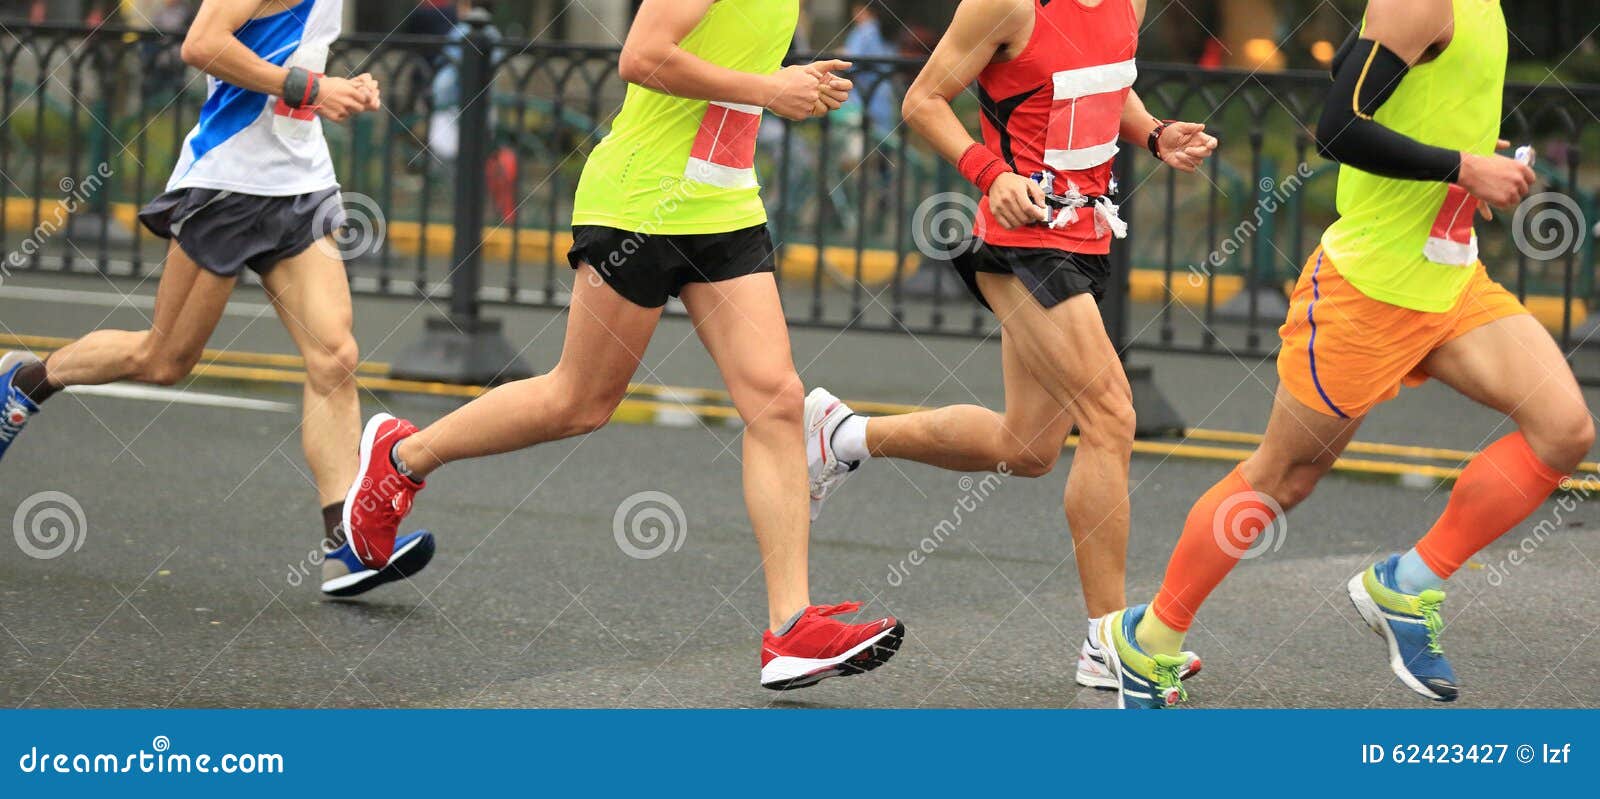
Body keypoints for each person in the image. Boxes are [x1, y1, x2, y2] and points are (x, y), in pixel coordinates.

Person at [341, 0, 907, 691]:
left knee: (778, 401)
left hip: (725, 205)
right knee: (577, 401)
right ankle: (402, 457)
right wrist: (769, 88)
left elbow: (724, 59)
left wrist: (789, 81)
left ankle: (790, 627)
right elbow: (640, 56)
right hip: (639, 202)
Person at [1102, 0, 1587, 708]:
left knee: (1564, 431)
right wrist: (1462, 167)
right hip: (1366, 291)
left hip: (1450, 279)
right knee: (1282, 478)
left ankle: (1409, 584)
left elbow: (1429, 108)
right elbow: (1338, 126)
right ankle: (1149, 641)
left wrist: (1472, 172)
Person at [806, 0, 1216, 693]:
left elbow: (1104, 79)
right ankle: (1106, 638)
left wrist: (1153, 133)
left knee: (1026, 446)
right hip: (1020, 238)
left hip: (1084, 233)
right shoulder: (1008, 5)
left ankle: (843, 435)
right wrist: (991, 174)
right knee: (1112, 413)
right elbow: (923, 100)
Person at [0, 0, 436, 599]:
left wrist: (340, 89)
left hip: (300, 183)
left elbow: (293, 56)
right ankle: (26, 382)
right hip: (229, 184)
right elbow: (202, 44)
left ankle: (347, 545)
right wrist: (312, 87)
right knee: (163, 359)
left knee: (334, 357)